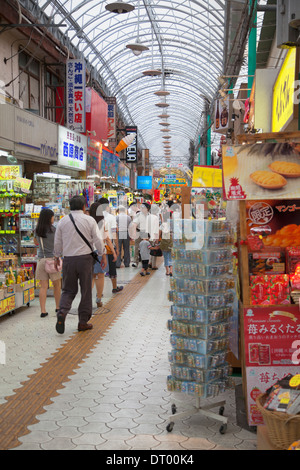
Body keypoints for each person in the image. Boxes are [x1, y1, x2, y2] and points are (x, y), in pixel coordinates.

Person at [53, 195, 106, 334]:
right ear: (83, 207)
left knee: (68, 290)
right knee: (86, 291)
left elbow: (57, 242)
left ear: (70, 206)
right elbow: (97, 240)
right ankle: (82, 322)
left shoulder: (62, 222)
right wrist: (102, 253)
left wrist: (56, 257)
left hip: (69, 260)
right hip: (85, 260)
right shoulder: (89, 220)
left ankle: (62, 312)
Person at [34, 208, 61, 318]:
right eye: (53, 216)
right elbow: (58, 244)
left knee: (43, 287)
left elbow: (35, 243)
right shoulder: (54, 230)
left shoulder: (37, 230)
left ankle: (43, 310)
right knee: (57, 285)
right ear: (49, 218)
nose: (53, 218)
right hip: (52, 260)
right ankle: (58, 307)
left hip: (41, 260)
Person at [89, 201, 117, 307]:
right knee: (100, 276)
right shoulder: (103, 222)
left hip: (88, 251)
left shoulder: (87, 221)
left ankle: (87, 299)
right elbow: (107, 238)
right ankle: (98, 299)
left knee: (91, 276)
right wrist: (113, 252)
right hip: (100, 252)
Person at [98, 197, 123, 293]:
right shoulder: (111, 217)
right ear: (107, 206)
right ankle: (114, 287)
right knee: (112, 267)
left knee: (99, 270)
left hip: (97, 247)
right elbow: (114, 234)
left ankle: (99, 292)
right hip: (109, 246)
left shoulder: (94, 217)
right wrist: (116, 248)